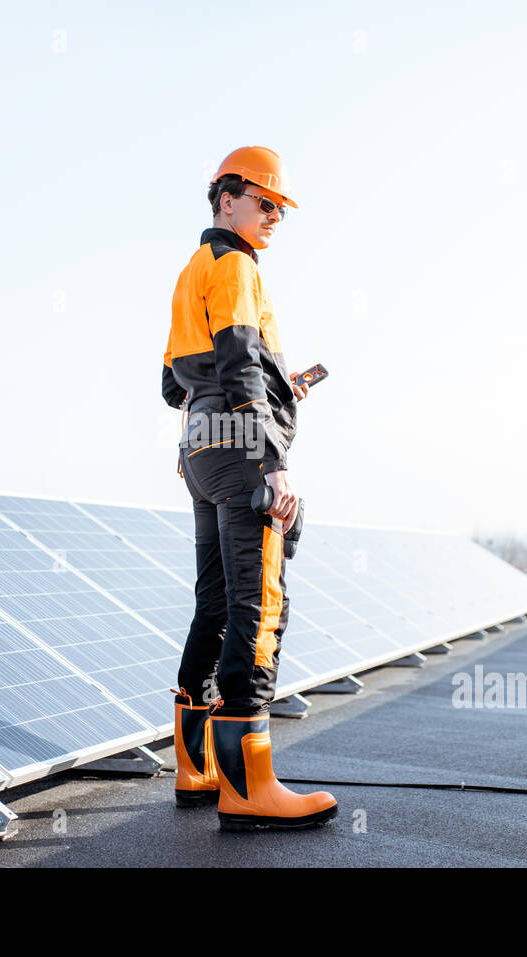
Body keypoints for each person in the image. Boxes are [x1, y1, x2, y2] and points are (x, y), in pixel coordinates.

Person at [160, 145, 337, 831]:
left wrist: (272, 388)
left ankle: (196, 766)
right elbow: (236, 355)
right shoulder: (235, 265)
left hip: (201, 451)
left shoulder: (191, 271)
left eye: (279, 209)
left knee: (214, 605)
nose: (273, 217)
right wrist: (271, 459)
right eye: (265, 202)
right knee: (258, 607)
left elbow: (175, 382)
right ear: (226, 197)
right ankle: (248, 785)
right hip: (241, 454)